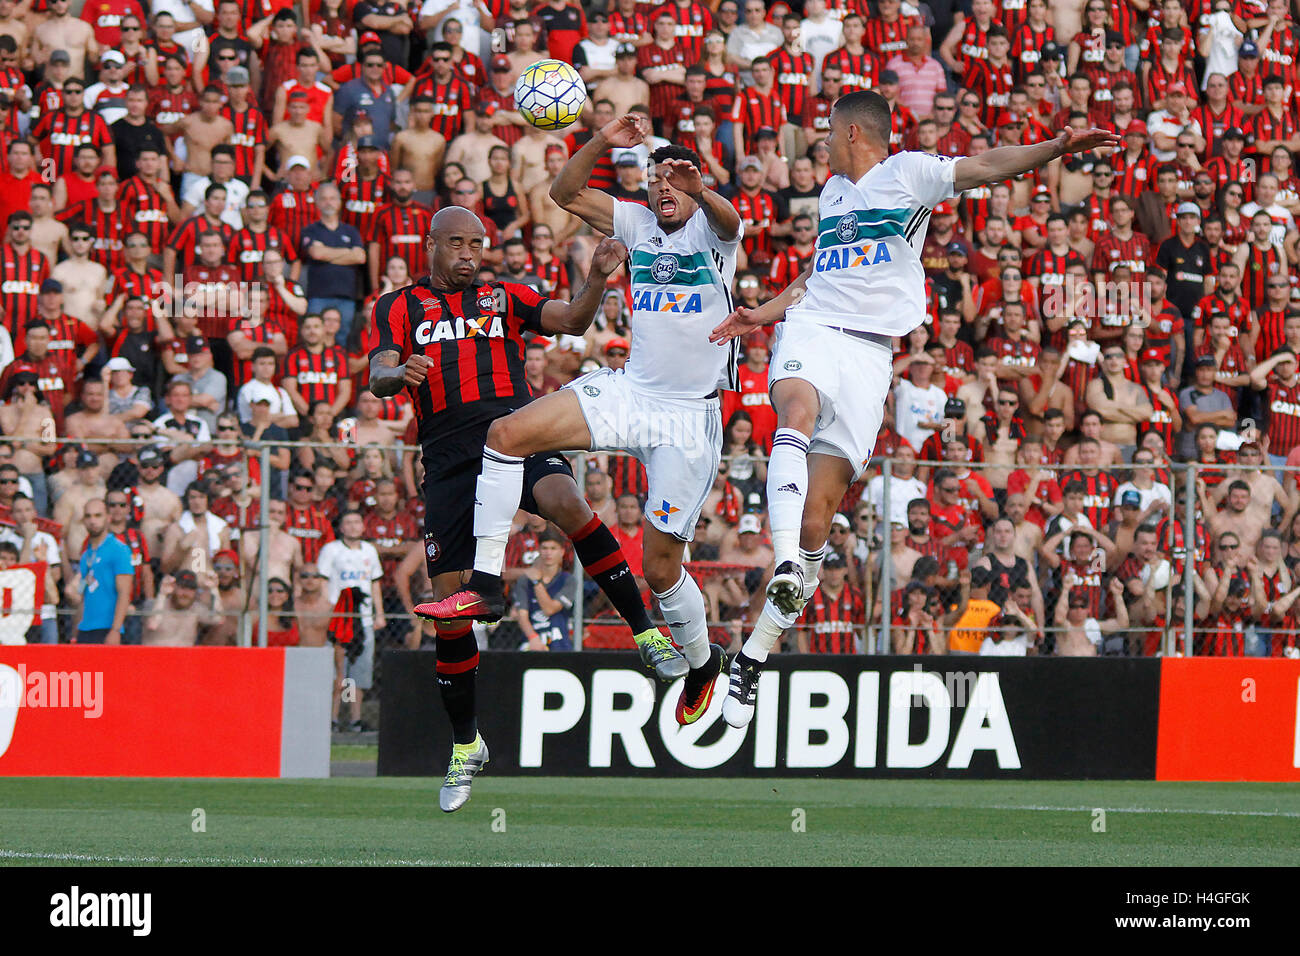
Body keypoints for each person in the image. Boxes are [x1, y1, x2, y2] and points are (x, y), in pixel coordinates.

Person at [708, 89, 1119, 725]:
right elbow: (818, 274)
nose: (819, 143)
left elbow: (985, 166)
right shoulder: (833, 196)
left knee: (820, 520)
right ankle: (783, 555)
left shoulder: (907, 173)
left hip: (872, 358)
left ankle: (753, 658)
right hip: (814, 331)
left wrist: (1055, 149)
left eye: (827, 133)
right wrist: (763, 314)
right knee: (793, 415)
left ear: (851, 134)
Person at [425, 113, 743, 721]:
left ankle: (703, 665)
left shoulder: (711, 228)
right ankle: (487, 583)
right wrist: (601, 139)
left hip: (687, 418)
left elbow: (730, 219)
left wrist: (699, 188)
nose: (665, 190)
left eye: (677, 180)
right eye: (656, 180)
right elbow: (564, 194)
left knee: (659, 568)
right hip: (633, 392)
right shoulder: (636, 220)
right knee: (507, 434)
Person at [365, 204, 683, 812]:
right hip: (449, 456)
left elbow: (569, 320)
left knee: (565, 500)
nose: (467, 254)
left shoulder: (503, 296)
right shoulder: (398, 306)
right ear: (431, 244)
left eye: (476, 244)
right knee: (452, 610)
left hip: (516, 432)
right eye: (455, 243)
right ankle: (466, 745)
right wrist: (396, 372)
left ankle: (646, 631)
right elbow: (378, 371)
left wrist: (595, 279)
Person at [318, 510, 384, 732]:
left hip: (363, 621)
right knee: (336, 674)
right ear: (341, 527)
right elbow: (323, 583)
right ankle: (332, 720)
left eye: (357, 521)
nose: (354, 526)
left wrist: (379, 613)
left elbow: (375, 584)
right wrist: (328, 612)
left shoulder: (370, 551)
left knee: (360, 673)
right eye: (349, 522)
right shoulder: (331, 550)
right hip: (339, 621)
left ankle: (355, 720)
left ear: (363, 526)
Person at [69, 497, 134, 644]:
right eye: (88, 516)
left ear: (108, 518)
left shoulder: (119, 549)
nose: (93, 521)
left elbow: (124, 592)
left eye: (98, 515)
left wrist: (115, 630)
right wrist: (76, 632)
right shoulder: (86, 554)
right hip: (86, 629)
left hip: (107, 627)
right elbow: (84, 596)